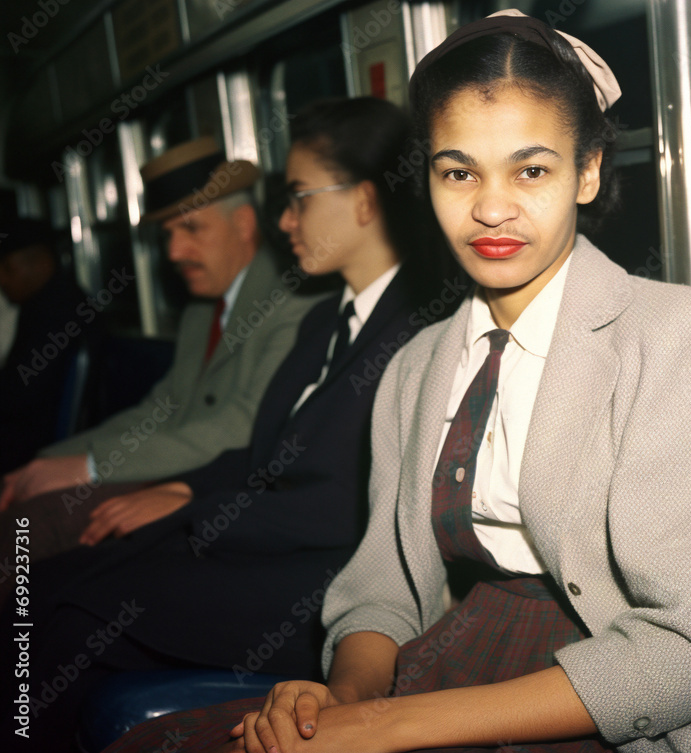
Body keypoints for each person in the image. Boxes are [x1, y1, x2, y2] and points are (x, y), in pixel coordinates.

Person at [103, 11, 691, 753]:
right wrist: (339, 699)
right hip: (447, 668)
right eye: (459, 172)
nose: (491, 208)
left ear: (587, 170)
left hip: (597, 714)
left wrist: (381, 723)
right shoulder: (417, 365)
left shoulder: (683, 341)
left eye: (532, 170)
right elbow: (382, 587)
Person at [0, 97, 452, 753]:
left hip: (327, 581)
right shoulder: (326, 319)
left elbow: (346, 505)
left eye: (298, 198)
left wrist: (201, 513)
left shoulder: (421, 330)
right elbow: (261, 451)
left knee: (71, 617)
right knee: (47, 585)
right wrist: (186, 490)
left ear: (363, 201)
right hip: (264, 536)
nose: (284, 220)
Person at [0, 139, 324, 586]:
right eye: (168, 234)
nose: (173, 253)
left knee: (27, 533)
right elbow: (159, 409)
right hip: (161, 466)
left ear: (245, 224)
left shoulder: (296, 305)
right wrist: (49, 462)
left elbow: (242, 428)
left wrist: (90, 467)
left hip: (219, 489)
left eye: (191, 229)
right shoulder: (199, 311)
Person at [0, 219, 101, 475]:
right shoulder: (40, 302)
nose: (2, 279)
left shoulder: (59, 311)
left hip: (36, 445)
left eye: (7, 269)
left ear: (41, 263)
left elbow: (22, 393)